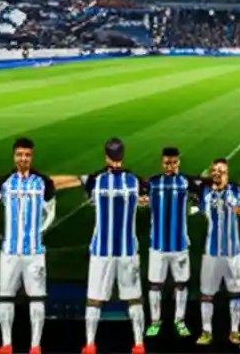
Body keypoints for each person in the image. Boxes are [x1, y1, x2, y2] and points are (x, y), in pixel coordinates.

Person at [80, 138, 145, 354]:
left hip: (101, 250)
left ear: (106, 156)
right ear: (122, 156)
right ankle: (138, 344)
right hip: (128, 249)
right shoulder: (134, 181)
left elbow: (87, 192)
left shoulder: (94, 180)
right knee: (134, 298)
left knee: (94, 299)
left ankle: (90, 344)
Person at [0, 138, 59, 354]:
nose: (23, 159)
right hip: (10, 252)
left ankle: (35, 346)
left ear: (32, 157)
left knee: (37, 298)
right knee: (5, 297)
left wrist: (40, 230)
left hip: (34, 252)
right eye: (20, 155)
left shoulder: (43, 183)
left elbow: (51, 210)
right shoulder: (4, 182)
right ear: (14, 157)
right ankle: (6, 344)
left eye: (27, 155)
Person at [142, 146, 202, 340]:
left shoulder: (186, 182)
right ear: (162, 163)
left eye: (174, 162)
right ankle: (155, 321)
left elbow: (202, 193)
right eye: (167, 162)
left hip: (180, 246)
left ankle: (180, 320)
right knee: (155, 285)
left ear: (179, 163)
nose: (170, 166)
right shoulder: (153, 182)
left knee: (181, 284)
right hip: (158, 246)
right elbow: (139, 194)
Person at [197, 158, 240, 347]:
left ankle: (234, 331)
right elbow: (204, 209)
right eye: (214, 170)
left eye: (221, 171)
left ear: (227, 174)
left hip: (233, 252)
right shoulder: (207, 193)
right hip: (211, 252)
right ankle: (206, 331)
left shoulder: (235, 191)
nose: (217, 173)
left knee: (234, 293)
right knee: (207, 294)